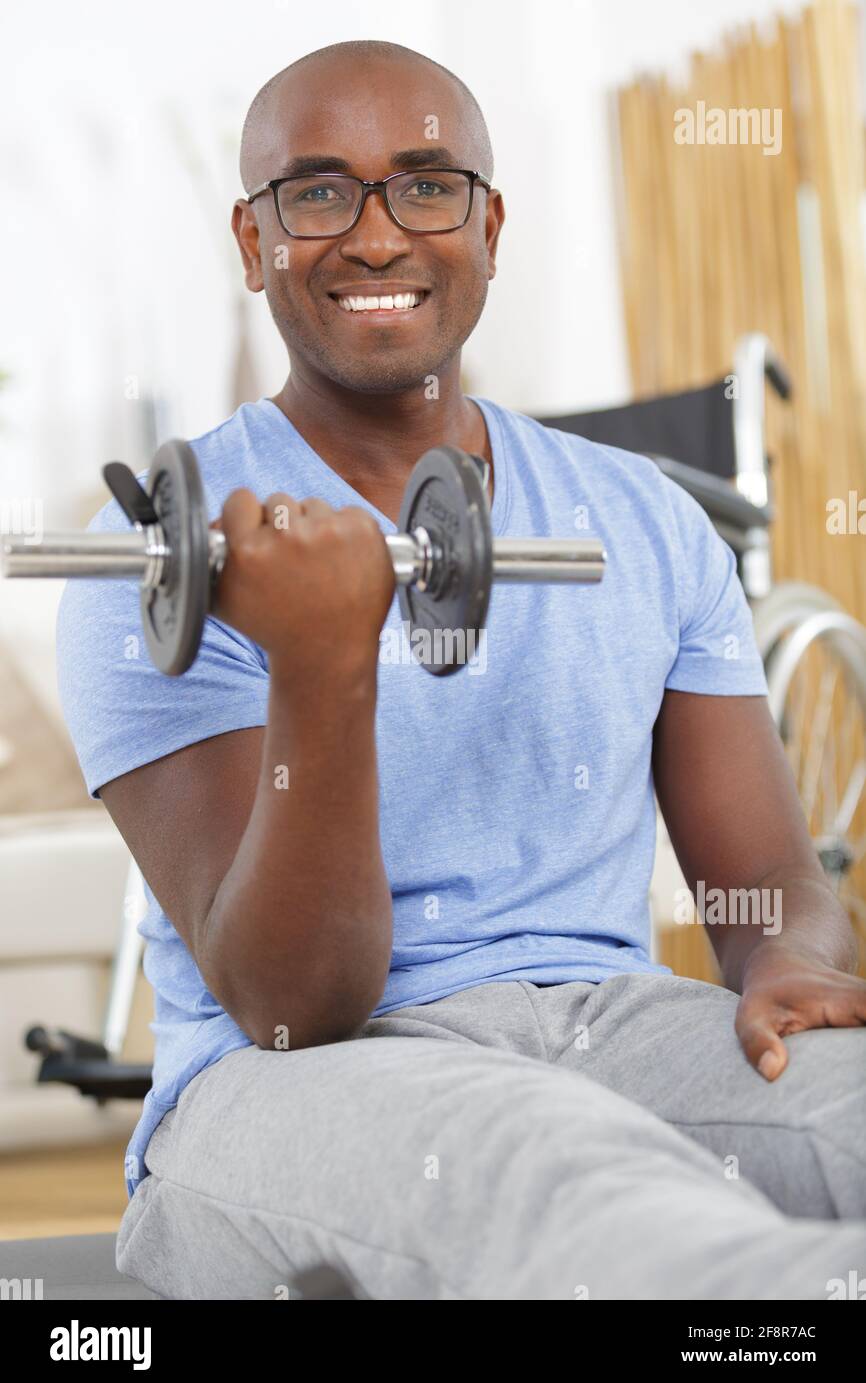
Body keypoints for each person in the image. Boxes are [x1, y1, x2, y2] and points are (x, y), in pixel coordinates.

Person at [56, 39, 865, 1300]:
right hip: (292, 1080)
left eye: (425, 184)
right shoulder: (163, 549)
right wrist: (320, 665)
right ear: (251, 238)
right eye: (317, 192)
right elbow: (289, 1001)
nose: (375, 237)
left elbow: (762, 877)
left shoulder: (642, 519)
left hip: (615, 1025)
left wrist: (789, 961)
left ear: (488, 225)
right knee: (565, 1175)